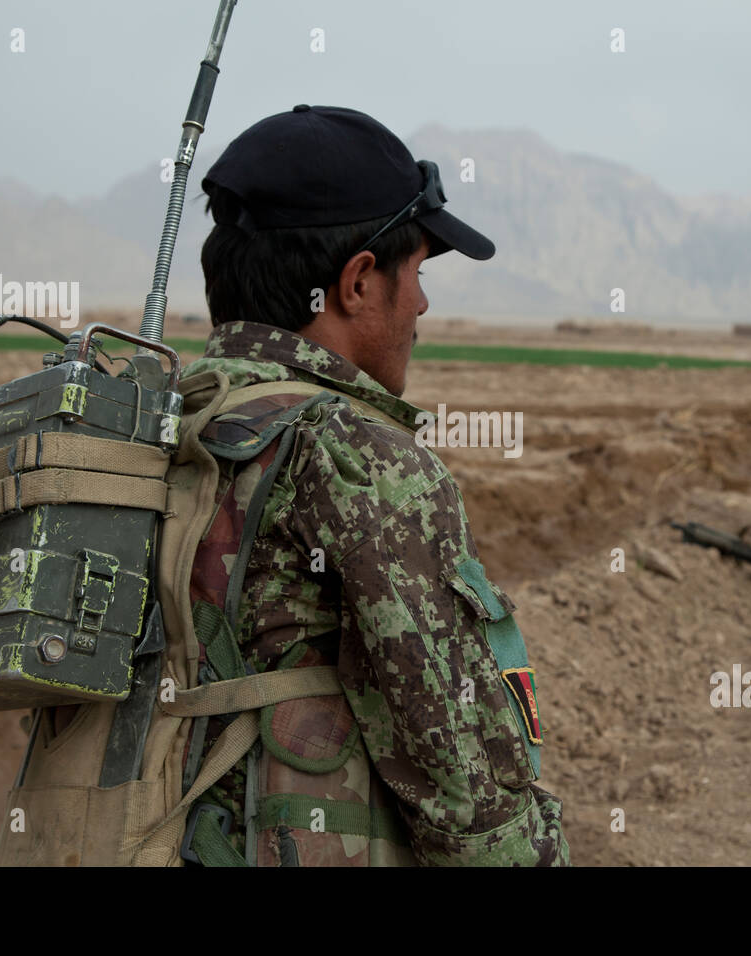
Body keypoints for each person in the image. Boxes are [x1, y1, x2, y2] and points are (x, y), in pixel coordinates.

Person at [174, 104, 569, 865]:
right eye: (416, 273)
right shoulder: (355, 454)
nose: (421, 304)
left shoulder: (169, 420)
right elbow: (460, 771)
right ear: (357, 282)